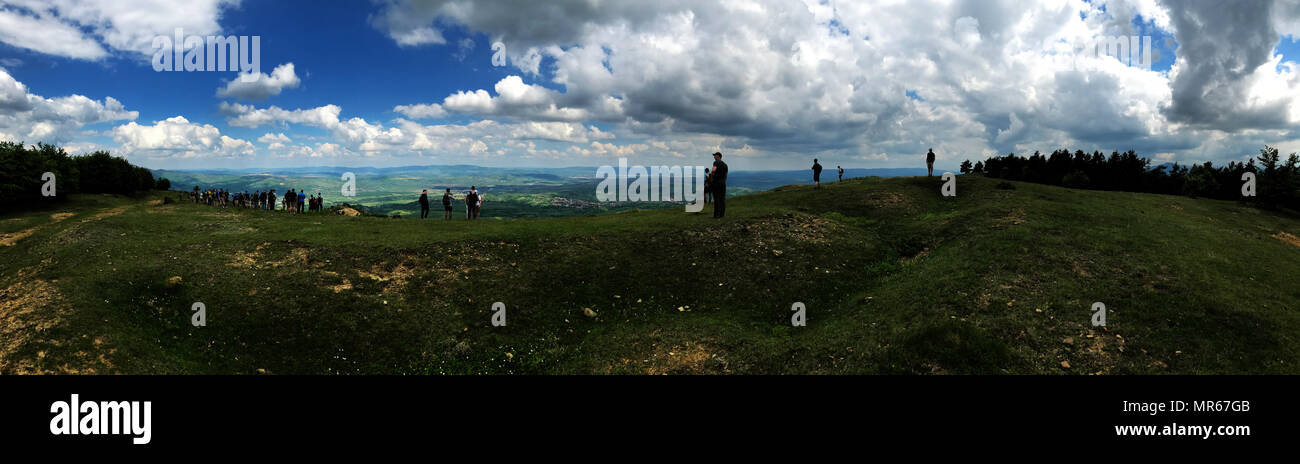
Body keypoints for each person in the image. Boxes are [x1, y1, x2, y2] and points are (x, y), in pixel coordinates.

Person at [711, 152, 728, 218]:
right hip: (723, 183)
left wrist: (711, 179)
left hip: (716, 183)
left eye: (715, 156)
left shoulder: (716, 163)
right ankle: (722, 214)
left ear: (718, 156)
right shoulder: (725, 165)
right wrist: (724, 181)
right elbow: (726, 175)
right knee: (722, 199)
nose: (714, 157)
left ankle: (716, 215)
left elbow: (713, 171)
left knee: (716, 199)